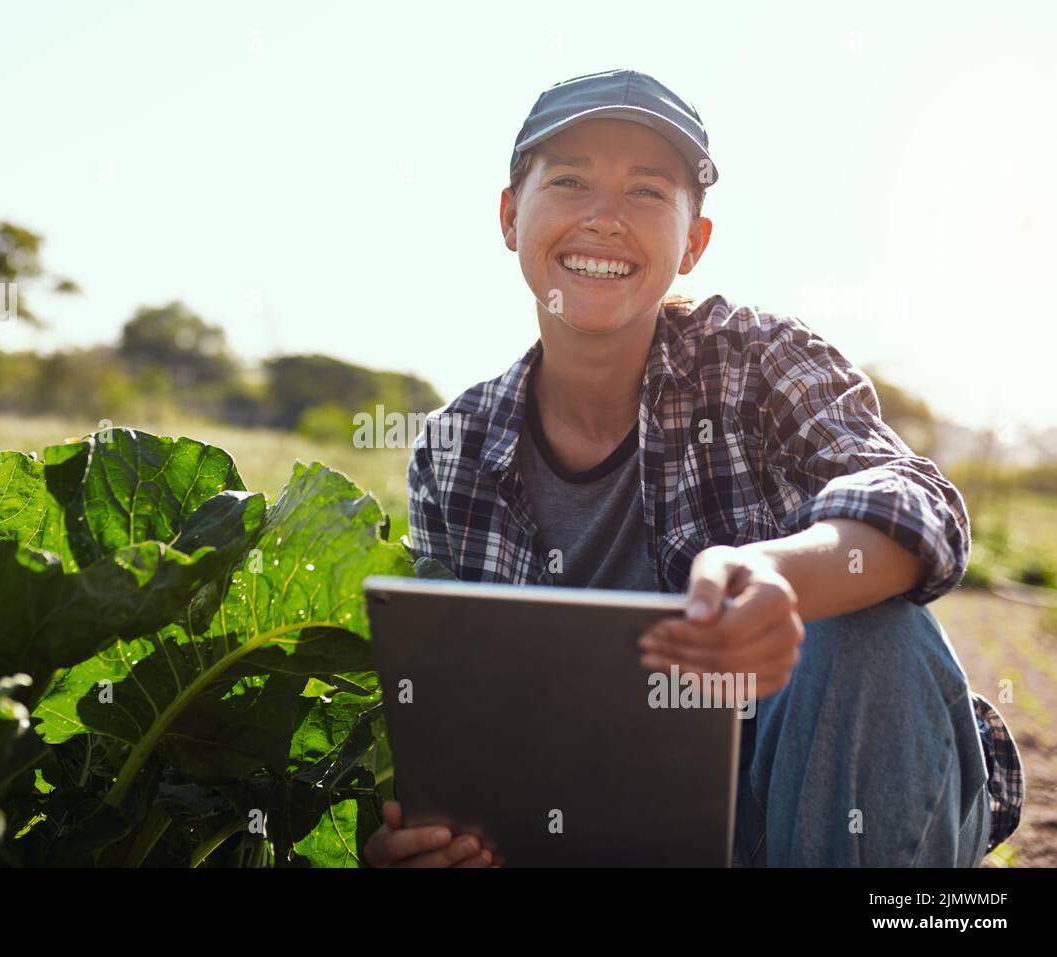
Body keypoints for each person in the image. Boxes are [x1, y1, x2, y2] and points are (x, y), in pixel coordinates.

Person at [362, 69, 1022, 868]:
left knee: (870, 630)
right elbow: (457, 713)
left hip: (796, 810)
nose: (604, 219)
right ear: (510, 216)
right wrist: (435, 839)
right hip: (599, 828)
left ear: (694, 243)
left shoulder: (759, 357)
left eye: (647, 192)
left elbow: (918, 499)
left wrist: (776, 574)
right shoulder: (453, 447)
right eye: (569, 181)